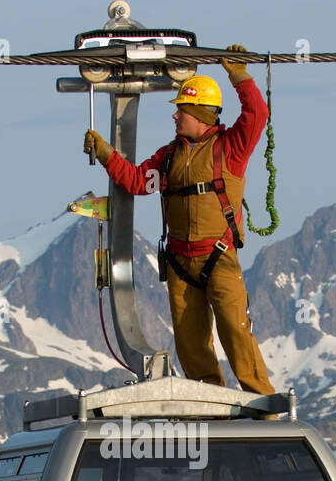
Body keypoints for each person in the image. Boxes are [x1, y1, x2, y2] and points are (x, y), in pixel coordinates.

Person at [84, 45, 275, 396]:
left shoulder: (230, 147)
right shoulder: (170, 156)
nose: (175, 117)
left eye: (181, 111)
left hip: (219, 257)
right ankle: (212, 402)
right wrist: (106, 153)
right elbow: (138, 181)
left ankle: (264, 404)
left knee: (235, 332)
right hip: (180, 263)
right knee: (190, 344)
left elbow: (256, 113)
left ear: (200, 113)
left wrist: (240, 77)